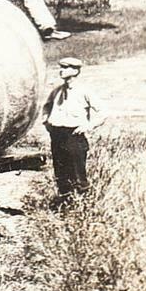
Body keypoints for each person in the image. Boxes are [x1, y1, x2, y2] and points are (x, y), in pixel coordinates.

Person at [42, 57, 104, 202]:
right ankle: (64, 206)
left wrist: (88, 126)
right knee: (61, 174)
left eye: (65, 67)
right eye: (61, 67)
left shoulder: (84, 91)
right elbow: (46, 107)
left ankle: (83, 207)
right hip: (57, 136)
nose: (61, 70)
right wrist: (46, 122)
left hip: (74, 136)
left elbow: (103, 112)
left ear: (75, 71)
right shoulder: (56, 91)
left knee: (78, 175)